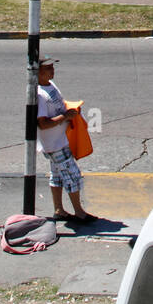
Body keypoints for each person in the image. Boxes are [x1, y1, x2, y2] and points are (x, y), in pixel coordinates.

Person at [37, 55, 96, 224]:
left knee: (57, 176)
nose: (52, 70)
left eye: (52, 67)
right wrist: (64, 116)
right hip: (54, 144)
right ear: (38, 72)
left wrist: (70, 110)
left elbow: (59, 105)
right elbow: (42, 124)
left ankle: (59, 210)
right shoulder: (40, 95)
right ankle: (79, 212)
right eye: (48, 68)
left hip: (60, 139)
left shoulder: (51, 86)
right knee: (73, 176)